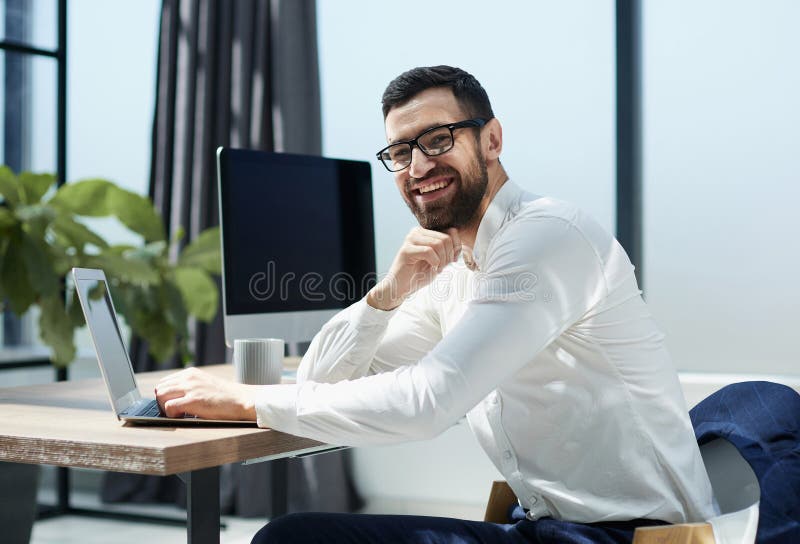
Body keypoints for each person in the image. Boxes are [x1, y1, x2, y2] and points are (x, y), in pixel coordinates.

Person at [155, 65, 716, 543]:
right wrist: (385, 296)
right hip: (547, 526)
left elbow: (429, 401)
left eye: (438, 139)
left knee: (293, 538)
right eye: (401, 151)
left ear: (492, 139)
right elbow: (321, 377)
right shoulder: (458, 271)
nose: (418, 166)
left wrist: (244, 398)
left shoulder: (546, 237)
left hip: (636, 535)